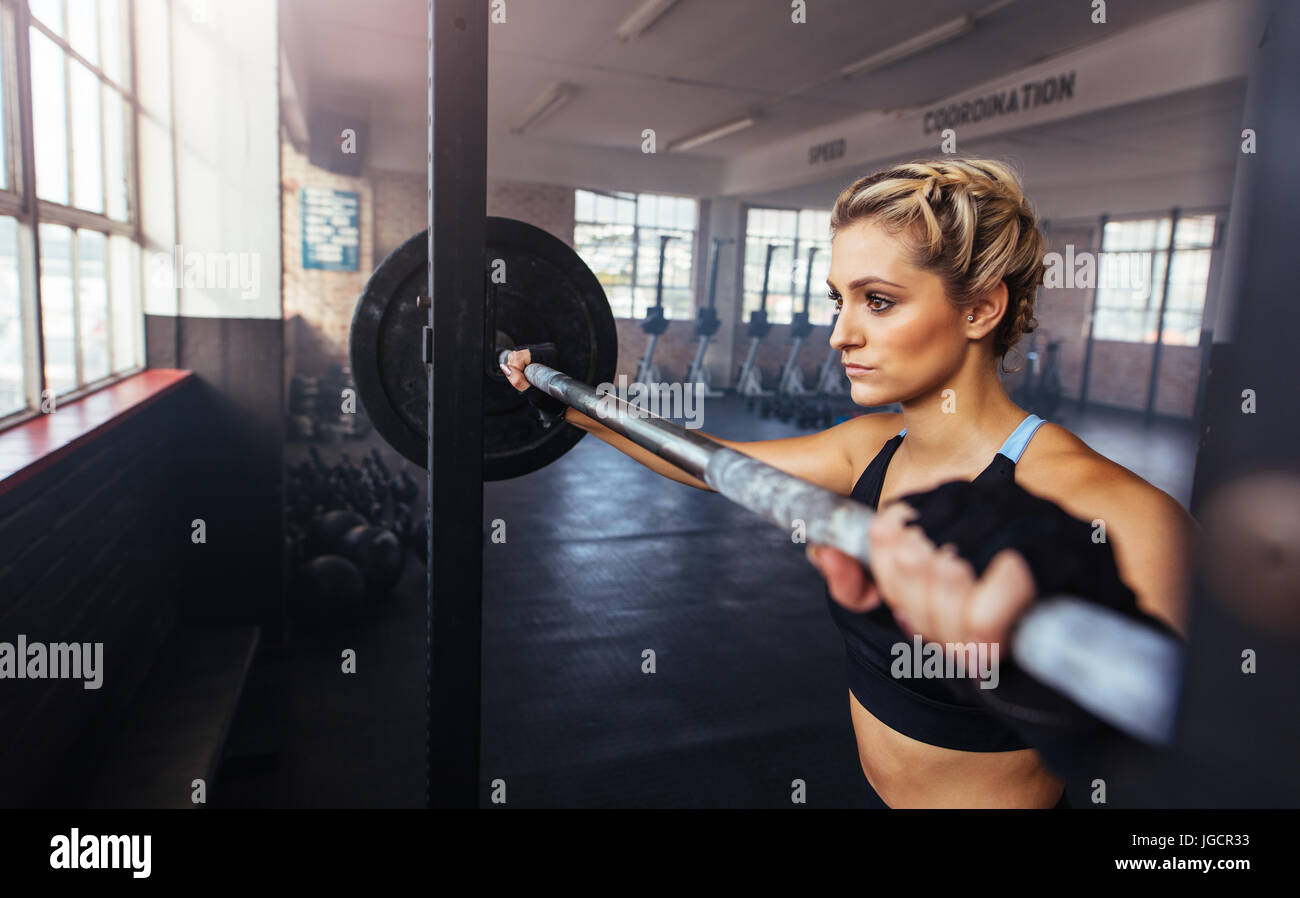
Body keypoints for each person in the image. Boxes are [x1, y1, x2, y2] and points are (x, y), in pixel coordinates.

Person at [500, 158, 1198, 809]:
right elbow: (705, 461)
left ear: (981, 309)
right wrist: (567, 403)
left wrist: (1045, 684)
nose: (841, 334)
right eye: (839, 299)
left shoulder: (1119, 513)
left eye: (880, 301)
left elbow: (1216, 797)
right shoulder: (870, 448)